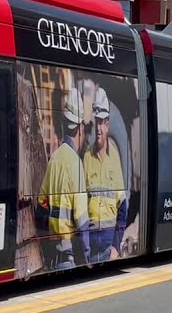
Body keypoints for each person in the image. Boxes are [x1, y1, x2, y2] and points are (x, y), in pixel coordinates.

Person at [36, 86, 88, 271]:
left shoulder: (55, 159)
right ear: (80, 128)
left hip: (53, 255)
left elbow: (41, 204)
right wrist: (87, 254)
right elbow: (81, 220)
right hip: (69, 257)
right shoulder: (76, 163)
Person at [83, 87, 127, 263]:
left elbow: (122, 207)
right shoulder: (87, 156)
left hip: (109, 248)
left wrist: (116, 246)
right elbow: (80, 204)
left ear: (107, 124)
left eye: (102, 122)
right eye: (97, 121)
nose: (99, 128)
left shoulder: (115, 158)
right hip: (91, 248)